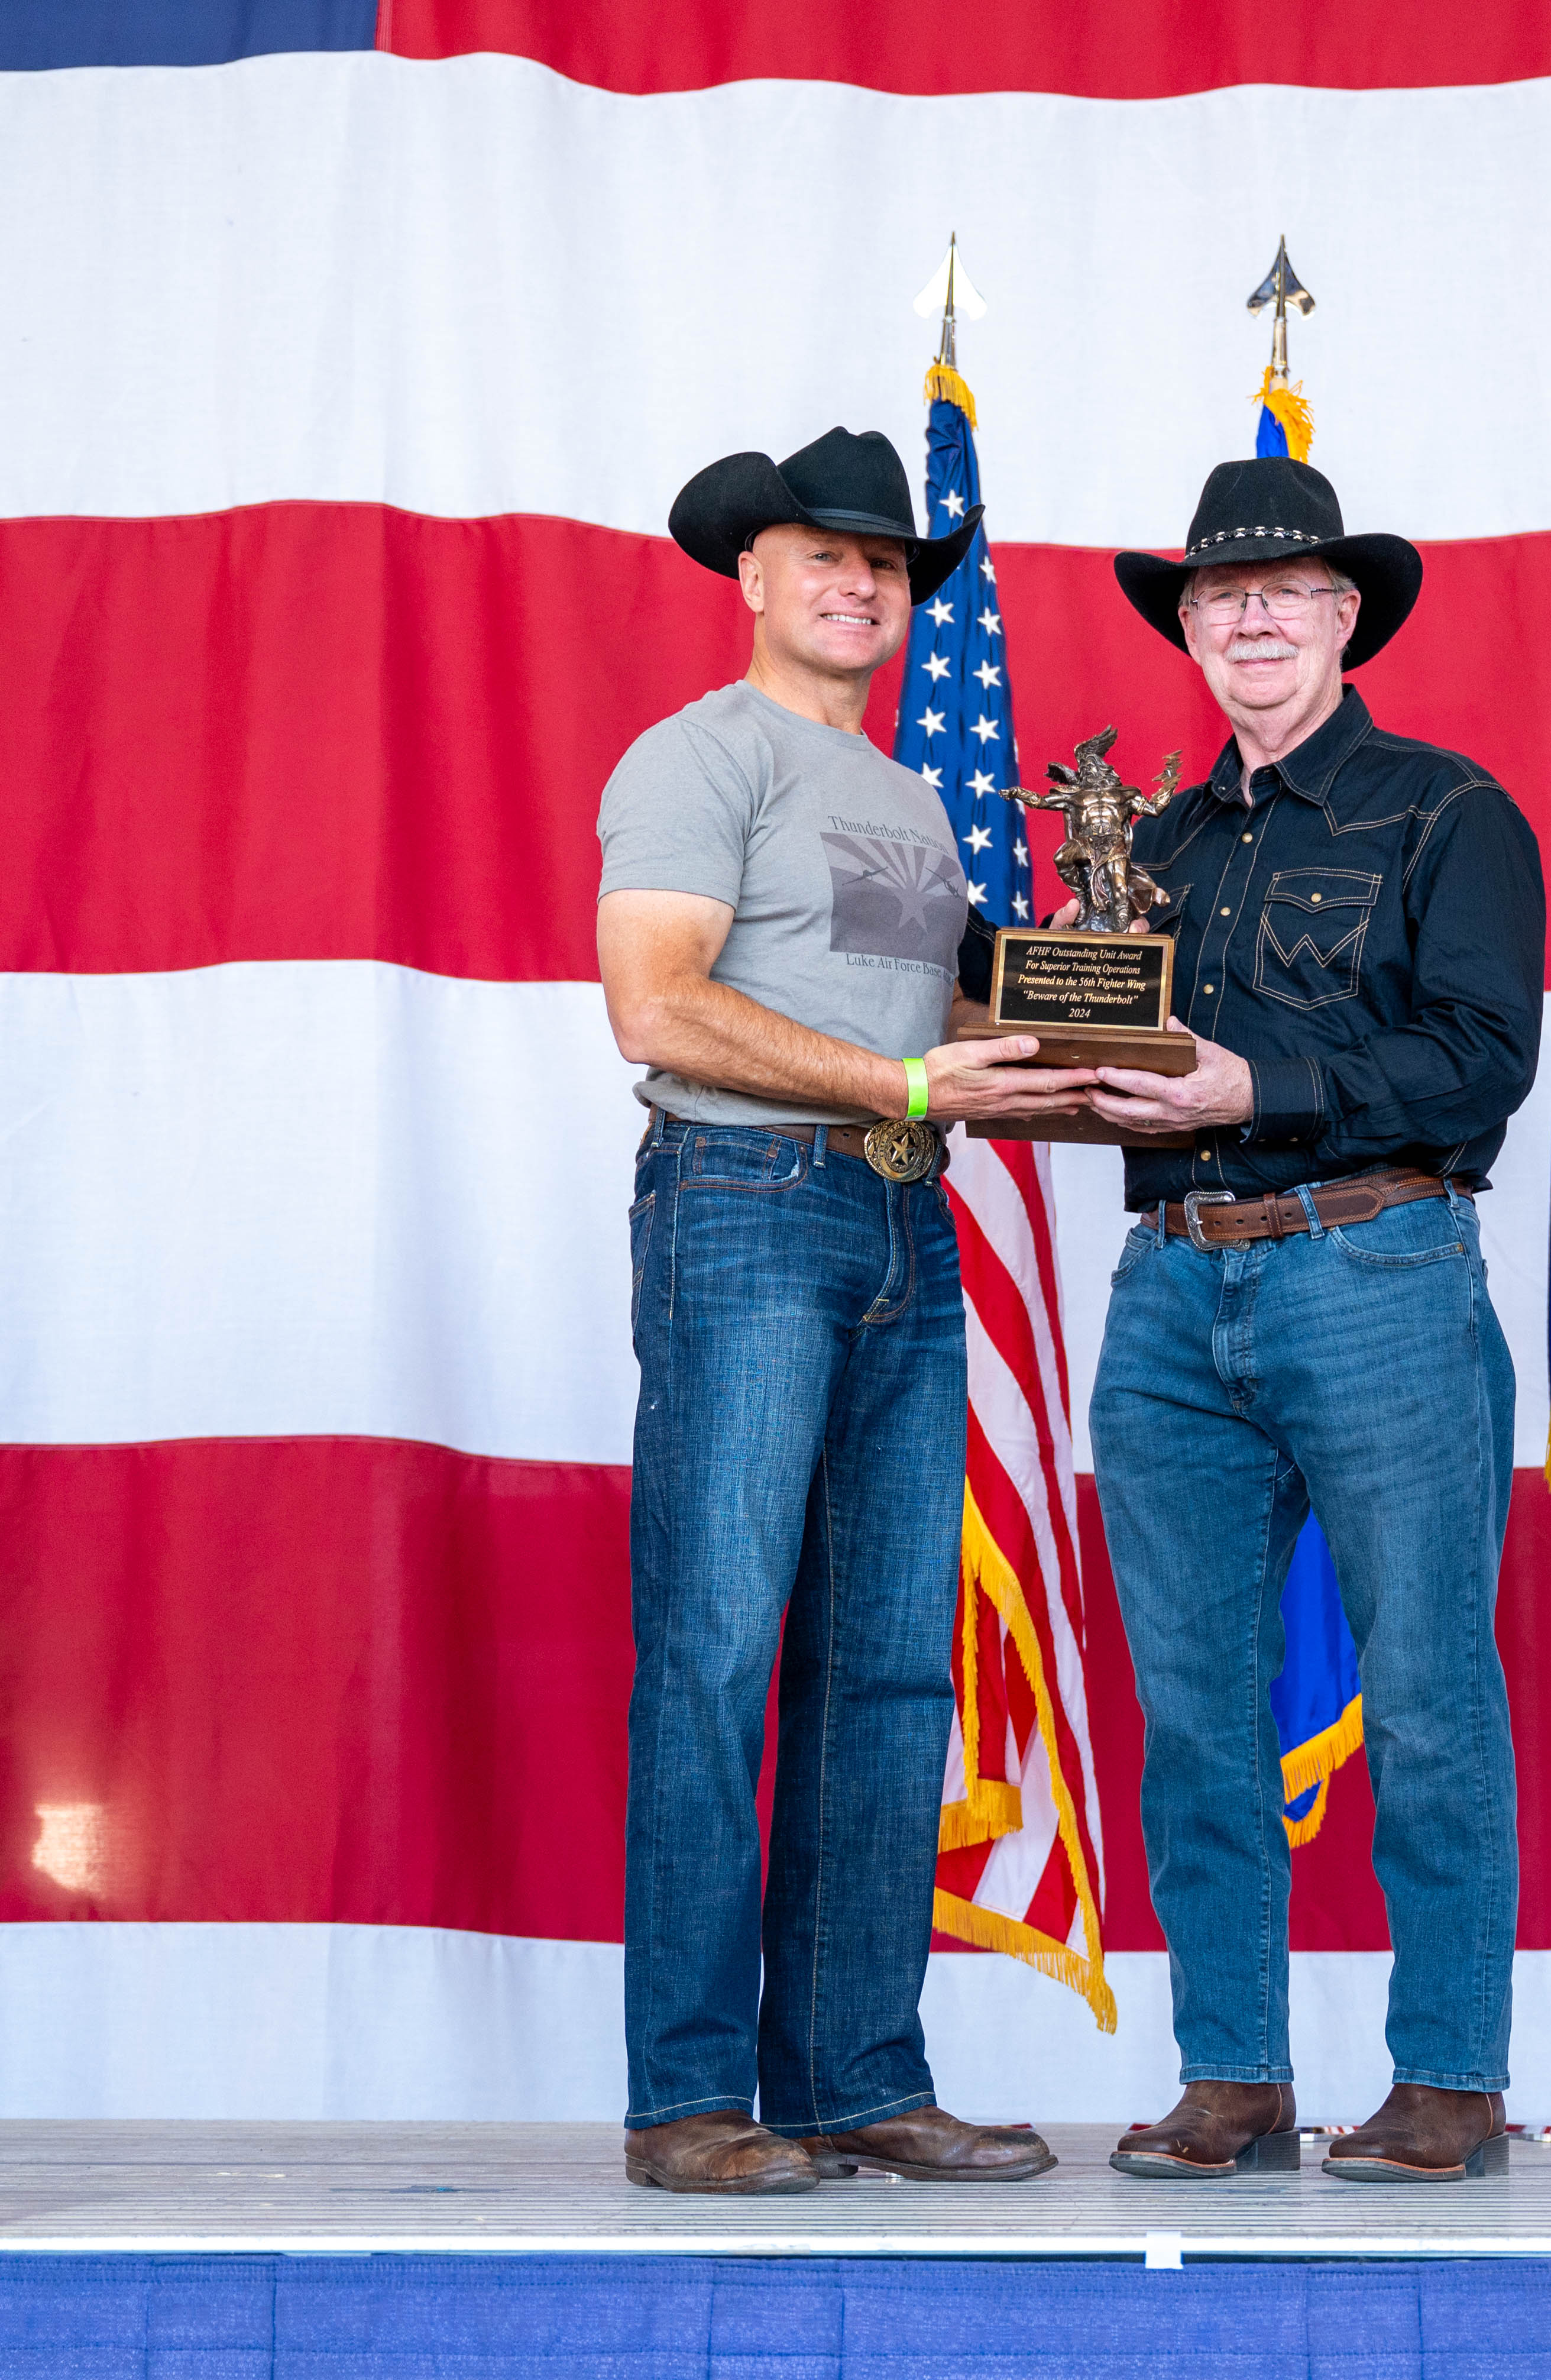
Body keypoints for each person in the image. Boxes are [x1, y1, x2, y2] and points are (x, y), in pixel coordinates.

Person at [596, 428, 1093, 2193]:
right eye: (829, 554)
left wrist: (1114, 1033)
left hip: (907, 1221)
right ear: (753, 576)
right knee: (721, 1646)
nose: (864, 583)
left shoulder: (913, 797)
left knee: (886, 1669)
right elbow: (656, 1009)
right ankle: (687, 2100)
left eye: (889, 564)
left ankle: (853, 2076)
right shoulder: (694, 758)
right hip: (746, 1207)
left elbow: (970, 1017)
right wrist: (900, 1082)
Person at [1080, 456, 1546, 2183]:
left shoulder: (1445, 812)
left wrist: (1248, 1083)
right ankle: (1234, 2072)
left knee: (1429, 1687)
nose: (1252, 616)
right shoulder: (1150, 846)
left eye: (1286, 591)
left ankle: (1450, 2076)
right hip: (1168, 1292)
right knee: (1194, 1705)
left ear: (1348, 617)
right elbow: (1106, 1046)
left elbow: (1485, 1060)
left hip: (1375, 1270)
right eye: (1220, 596)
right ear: (1189, 630)